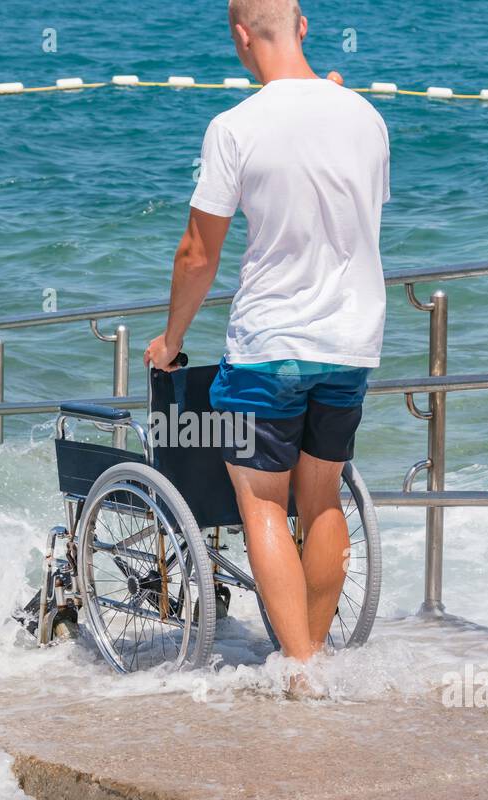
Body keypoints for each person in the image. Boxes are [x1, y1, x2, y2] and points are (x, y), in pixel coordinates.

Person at [143, 0, 390, 662]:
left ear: (240, 36)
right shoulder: (367, 118)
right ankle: (312, 656)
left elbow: (198, 252)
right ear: (304, 26)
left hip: (271, 345)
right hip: (351, 340)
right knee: (323, 501)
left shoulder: (234, 126)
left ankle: (302, 670)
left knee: (261, 506)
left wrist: (170, 341)